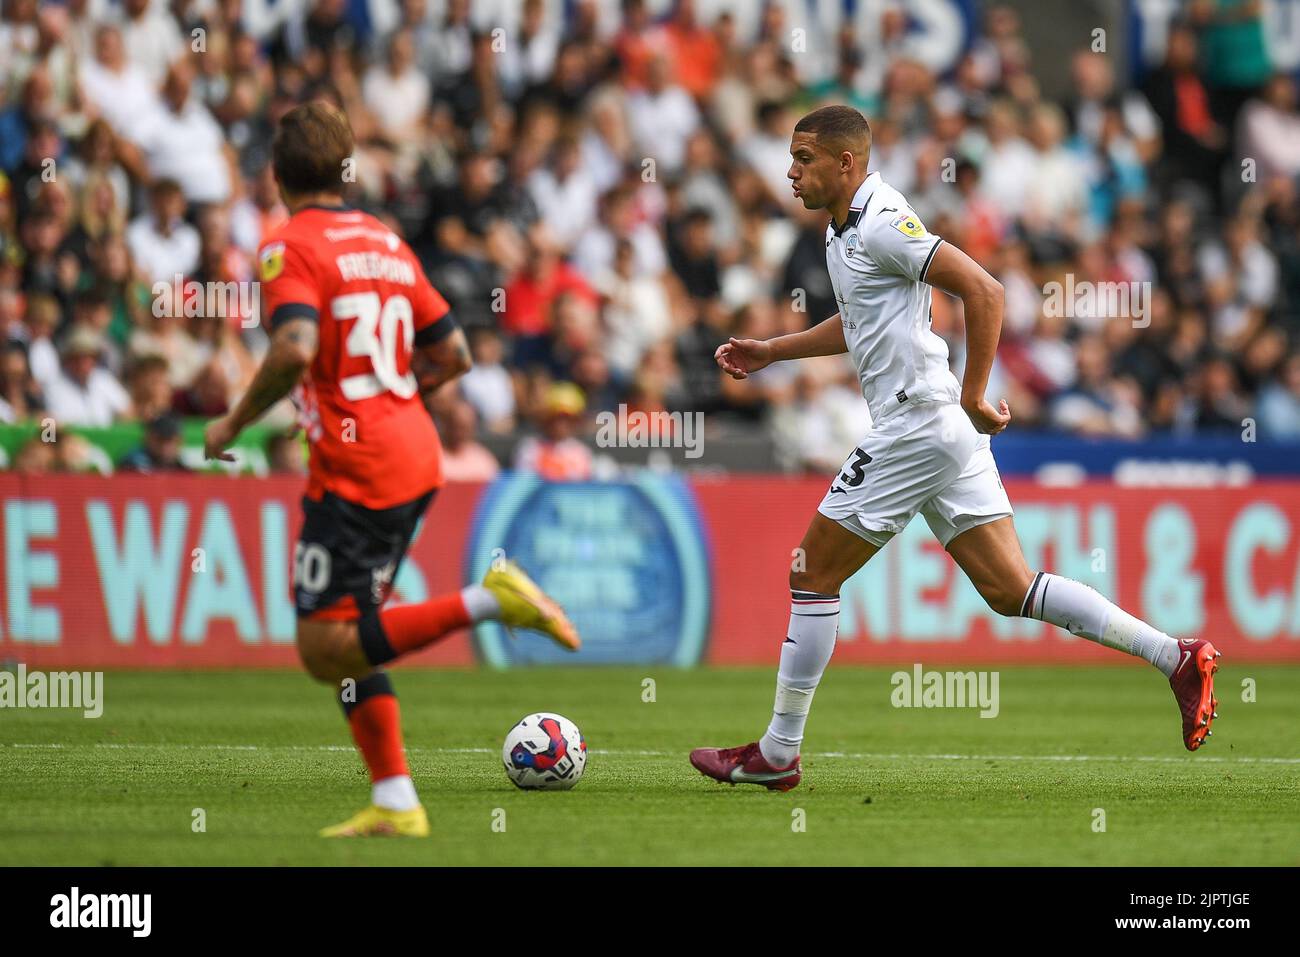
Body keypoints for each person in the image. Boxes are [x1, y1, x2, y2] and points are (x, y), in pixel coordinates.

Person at [689, 106, 1221, 792]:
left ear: (846, 163)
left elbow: (985, 289)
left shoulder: (883, 221)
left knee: (811, 574)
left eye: (804, 159)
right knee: (1011, 588)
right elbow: (858, 325)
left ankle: (778, 751)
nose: (790, 172)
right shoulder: (839, 231)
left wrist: (976, 392)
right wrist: (774, 351)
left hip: (919, 422)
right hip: (938, 428)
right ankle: (1174, 655)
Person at [203, 103, 580, 838]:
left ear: (277, 176)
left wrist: (235, 421)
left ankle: (489, 599)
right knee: (348, 635)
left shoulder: (288, 247)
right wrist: (391, 395)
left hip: (360, 465)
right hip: (414, 447)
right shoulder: (385, 240)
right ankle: (397, 799)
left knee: (323, 645)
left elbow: (290, 347)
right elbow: (456, 355)